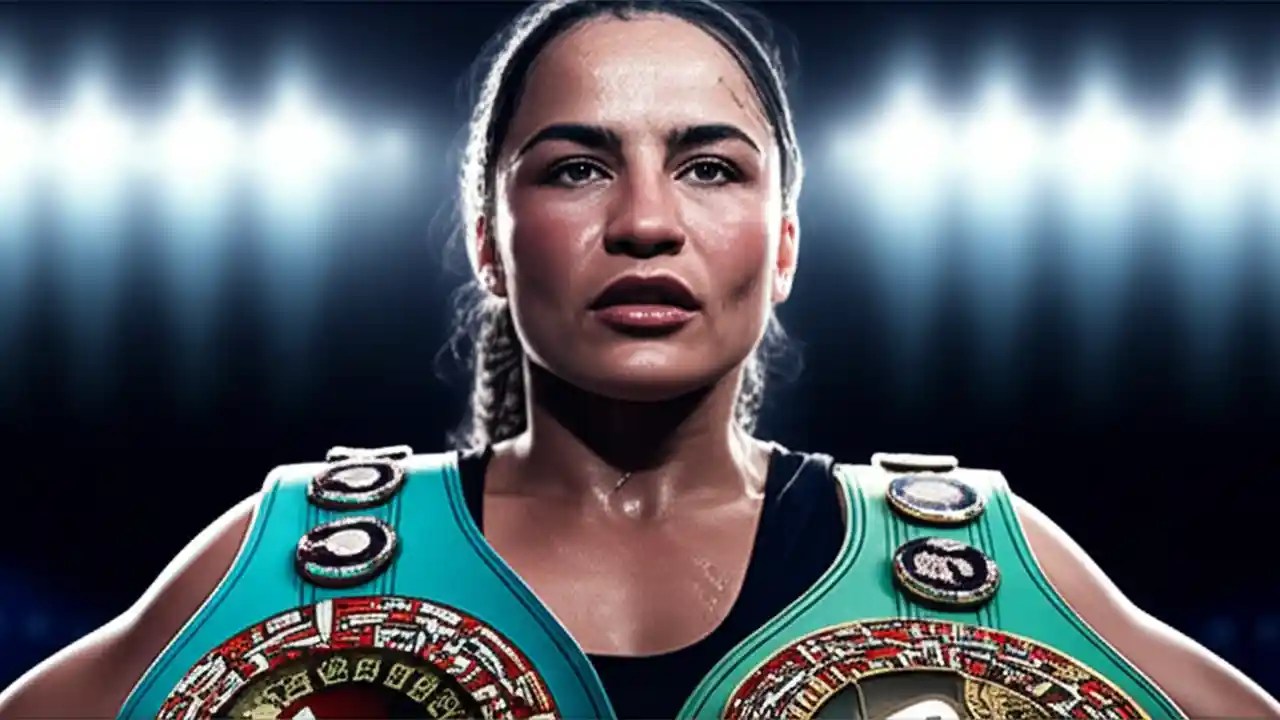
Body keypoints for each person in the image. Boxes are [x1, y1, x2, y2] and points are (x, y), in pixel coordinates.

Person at [3, 0, 1279, 717]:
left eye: (708, 165)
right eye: (574, 166)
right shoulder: (280, 558)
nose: (645, 220)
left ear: (781, 244)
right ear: (490, 243)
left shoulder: (984, 563)